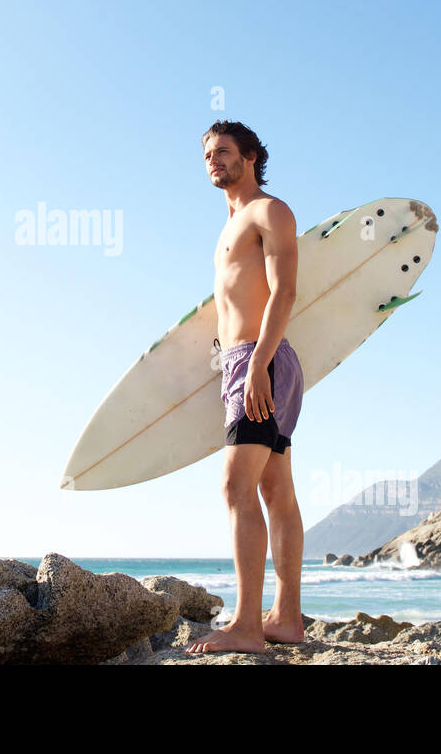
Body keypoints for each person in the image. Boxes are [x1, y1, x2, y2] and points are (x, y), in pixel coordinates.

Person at [185, 121, 305, 655]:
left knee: (235, 488)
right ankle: (285, 619)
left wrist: (257, 364)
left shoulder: (268, 211)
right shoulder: (228, 226)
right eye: (207, 153)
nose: (213, 160)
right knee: (275, 491)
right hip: (243, 362)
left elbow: (285, 292)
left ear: (251, 157)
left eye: (223, 152)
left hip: (261, 360)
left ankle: (247, 626)